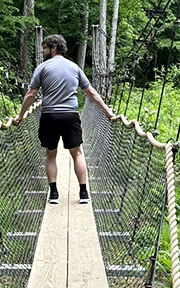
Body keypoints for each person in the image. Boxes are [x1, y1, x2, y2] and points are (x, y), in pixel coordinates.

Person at [13, 34, 114, 204]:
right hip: (70, 116)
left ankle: (53, 194)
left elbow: (31, 94)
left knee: (50, 155)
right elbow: (91, 93)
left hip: (49, 116)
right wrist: (107, 112)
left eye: (45, 48)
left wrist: (20, 115)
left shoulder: (42, 68)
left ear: (53, 48)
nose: (44, 51)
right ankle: (83, 193)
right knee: (77, 153)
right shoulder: (74, 68)